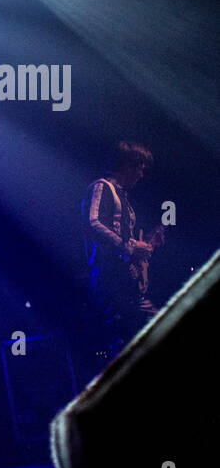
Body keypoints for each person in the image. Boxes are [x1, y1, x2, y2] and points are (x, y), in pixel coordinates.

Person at [81, 142, 159, 361]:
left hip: (125, 281)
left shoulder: (123, 199)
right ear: (127, 166)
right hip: (110, 278)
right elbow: (94, 222)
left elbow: (123, 239)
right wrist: (131, 246)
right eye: (140, 168)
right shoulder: (102, 187)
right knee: (125, 339)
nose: (141, 175)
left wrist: (143, 248)